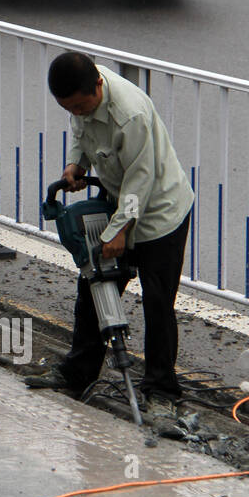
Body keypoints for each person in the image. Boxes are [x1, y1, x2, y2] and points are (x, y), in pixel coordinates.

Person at [26, 52, 195, 423]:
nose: (77, 112)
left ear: (98, 87)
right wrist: (76, 163)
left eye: (81, 105)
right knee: (94, 285)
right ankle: (77, 374)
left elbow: (141, 177)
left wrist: (120, 228)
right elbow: (82, 131)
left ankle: (163, 391)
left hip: (159, 213)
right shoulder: (83, 92)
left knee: (157, 301)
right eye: (68, 107)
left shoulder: (129, 113)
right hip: (121, 202)